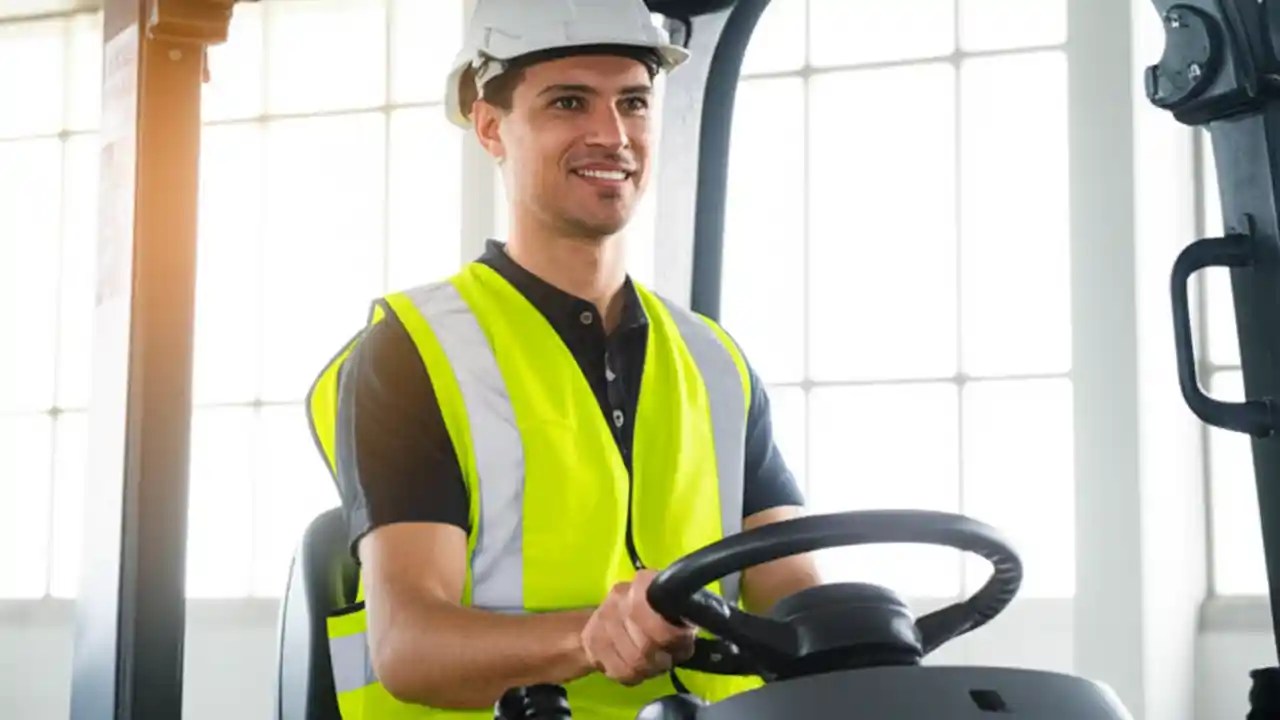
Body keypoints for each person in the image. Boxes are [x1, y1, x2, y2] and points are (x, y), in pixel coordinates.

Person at [305, 0, 821, 717]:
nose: (613, 135)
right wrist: (591, 636)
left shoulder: (713, 360)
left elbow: (792, 590)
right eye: (569, 102)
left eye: (633, 102)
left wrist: (854, 632)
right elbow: (408, 644)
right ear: (491, 127)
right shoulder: (415, 350)